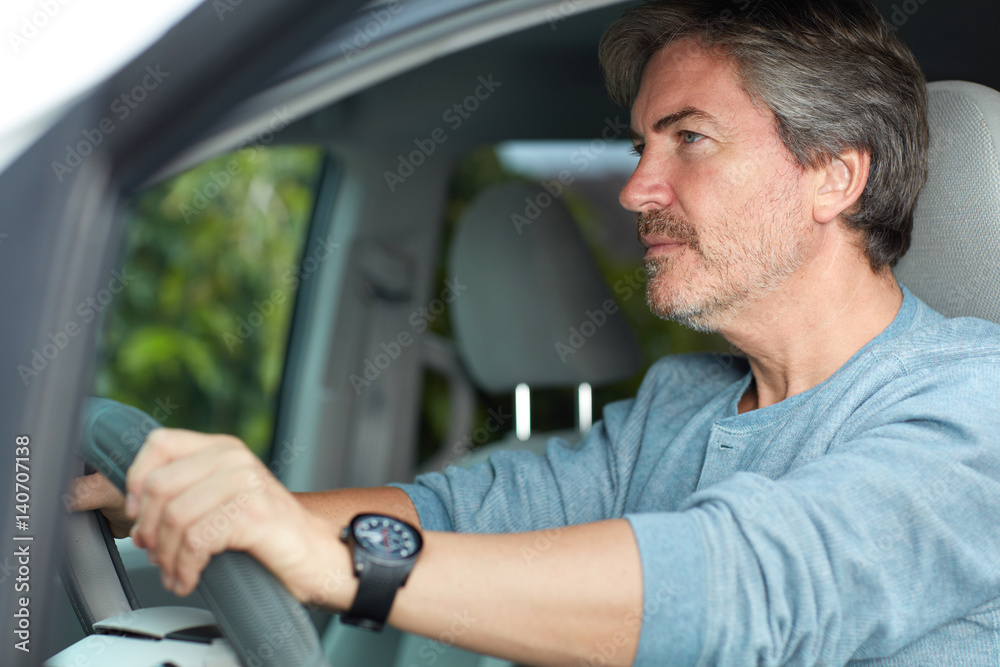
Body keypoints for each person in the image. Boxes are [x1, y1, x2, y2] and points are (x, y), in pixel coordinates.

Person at [71, 0, 1000, 664]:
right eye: (641, 145)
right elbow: (455, 516)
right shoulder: (682, 404)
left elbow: (745, 589)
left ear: (835, 176)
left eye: (689, 139)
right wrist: (206, 506)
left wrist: (345, 564)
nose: (636, 187)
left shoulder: (975, 406)